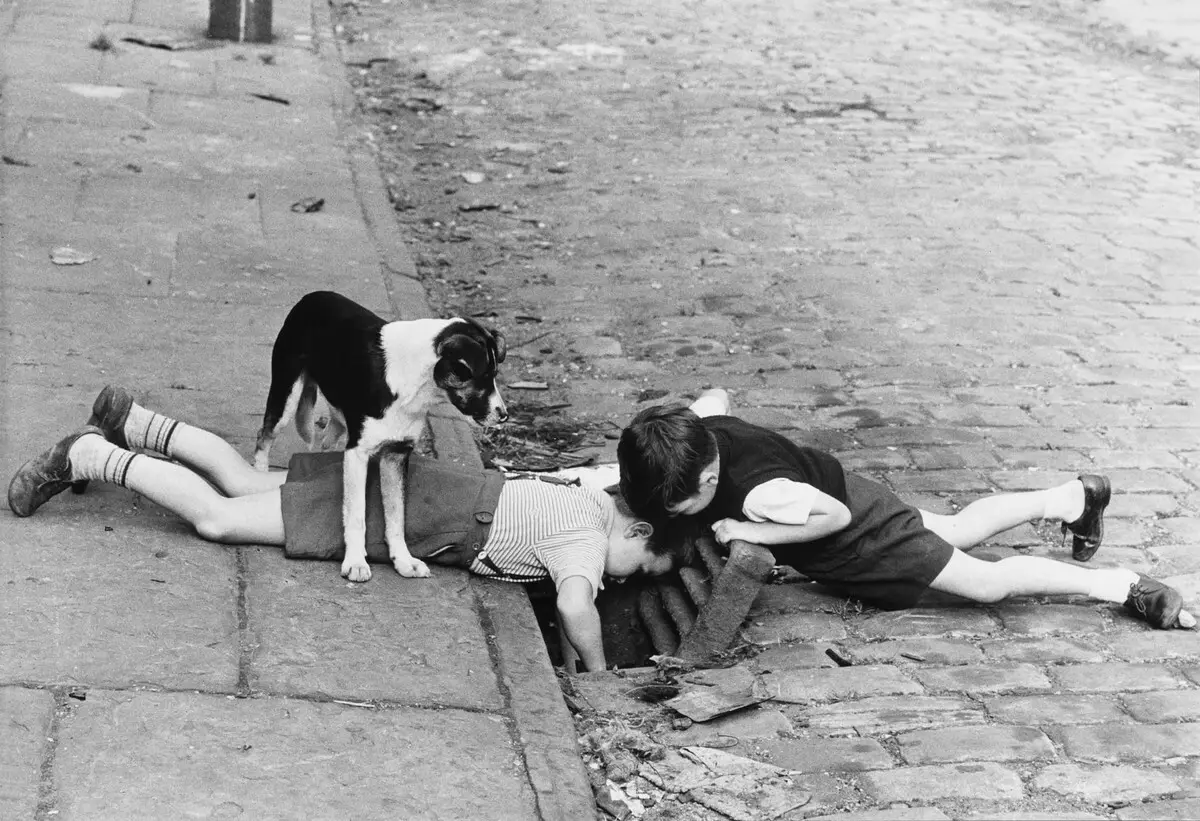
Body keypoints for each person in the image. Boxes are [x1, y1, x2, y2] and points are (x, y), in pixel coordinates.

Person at [7, 386, 677, 672]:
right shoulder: (588, 544)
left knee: (244, 478)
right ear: (638, 530)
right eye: (633, 570)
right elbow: (573, 603)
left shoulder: (584, 498)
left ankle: (137, 420)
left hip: (406, 476)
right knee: (218, 517)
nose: (617, 579)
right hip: (391, 512)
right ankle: (93, 455)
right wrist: (590, 672)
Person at [618, 389, 1195, 630]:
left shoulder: (763, 494)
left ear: (712, 475)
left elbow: (832, 520)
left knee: (986, 584)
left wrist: (746, 526)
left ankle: (1124, 587)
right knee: (959, 529)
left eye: (682, 501)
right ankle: (1069, 499)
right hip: (858, 491)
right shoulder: (700, 428)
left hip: (859, 529)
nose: (680, 511)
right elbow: (716, 394)